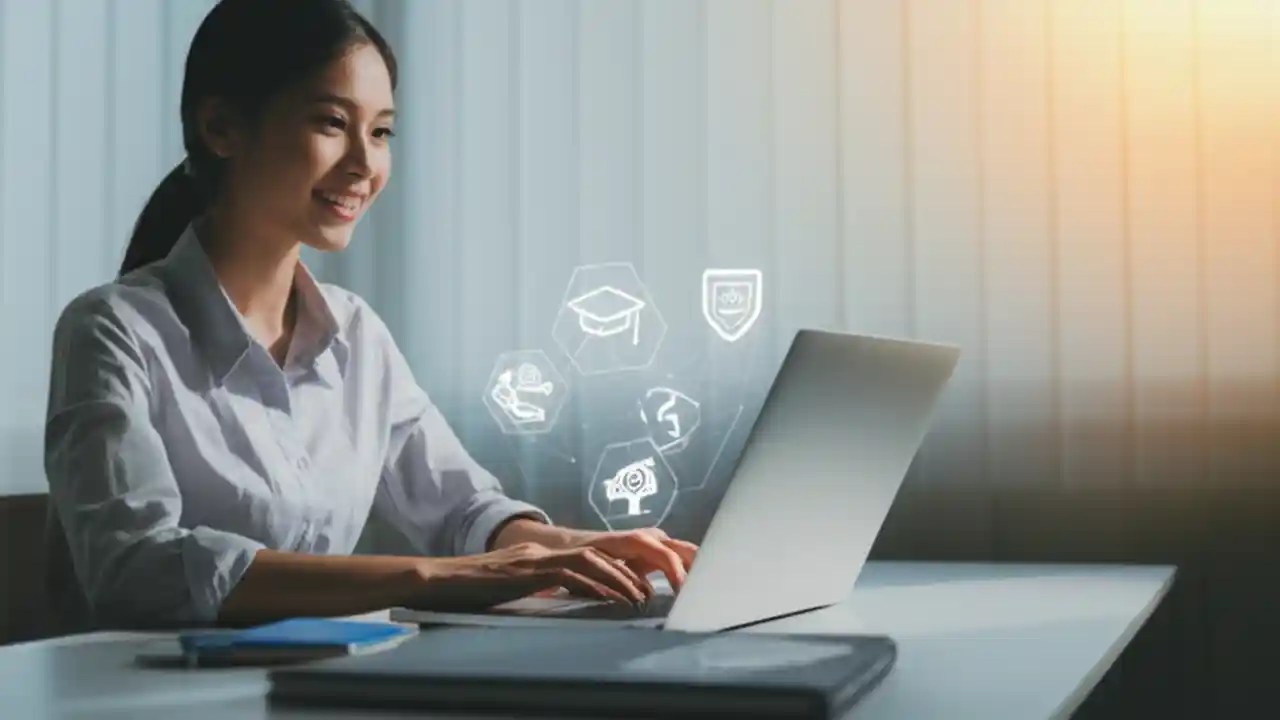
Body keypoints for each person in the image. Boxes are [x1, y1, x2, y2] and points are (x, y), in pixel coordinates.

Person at [43, 0, 696, 631]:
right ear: (221, 128)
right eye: (331, 123)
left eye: (381, 132)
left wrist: (579, 547)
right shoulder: (113, 331)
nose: (364, 164)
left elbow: (462, 508)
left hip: (315, 683)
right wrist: (432, 577)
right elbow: (135, 568)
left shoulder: (354, 335)